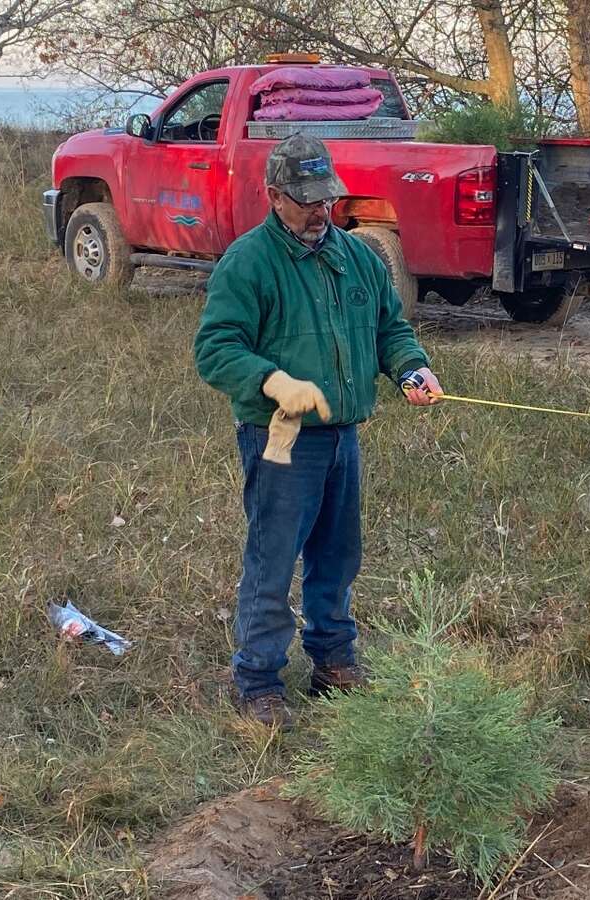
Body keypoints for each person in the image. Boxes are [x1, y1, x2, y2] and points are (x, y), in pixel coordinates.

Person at [194, 133, 441, 728]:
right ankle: (257, 678)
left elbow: (389, 327)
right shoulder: (249, 262)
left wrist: (410, 366)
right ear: (274, 194)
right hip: (280, 438)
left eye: (325, 198)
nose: (318, 210)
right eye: (305, 200)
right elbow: (215, 349)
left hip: (342, 436)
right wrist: (273, 382)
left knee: (338, 552)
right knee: (273, 557)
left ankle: (333, 659)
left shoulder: (356, 256)